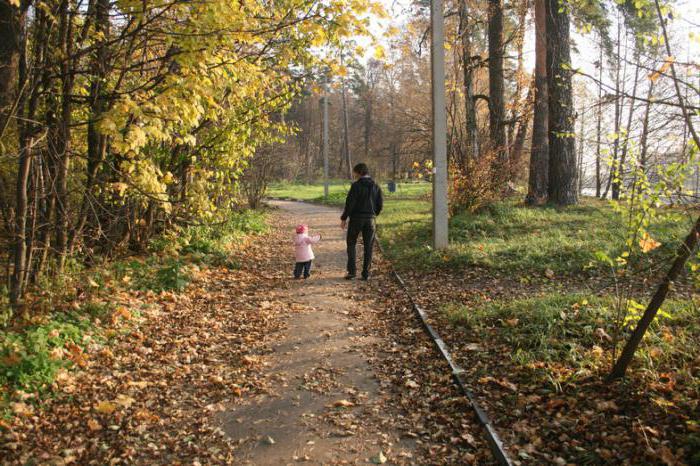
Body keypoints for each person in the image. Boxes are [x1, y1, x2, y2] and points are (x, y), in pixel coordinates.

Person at [340, 163, 383, 280]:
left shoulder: (356, 186)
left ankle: (352, 271)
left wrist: (344, 218)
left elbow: (350, 204)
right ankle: (366, 273)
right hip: (370, 220)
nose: (354, 175)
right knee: (368, 246)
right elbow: (380, 204)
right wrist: (373, 214)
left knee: (351, 243)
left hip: (356, 219)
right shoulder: (376, 186)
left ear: (358, 172)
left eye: (354, 172)